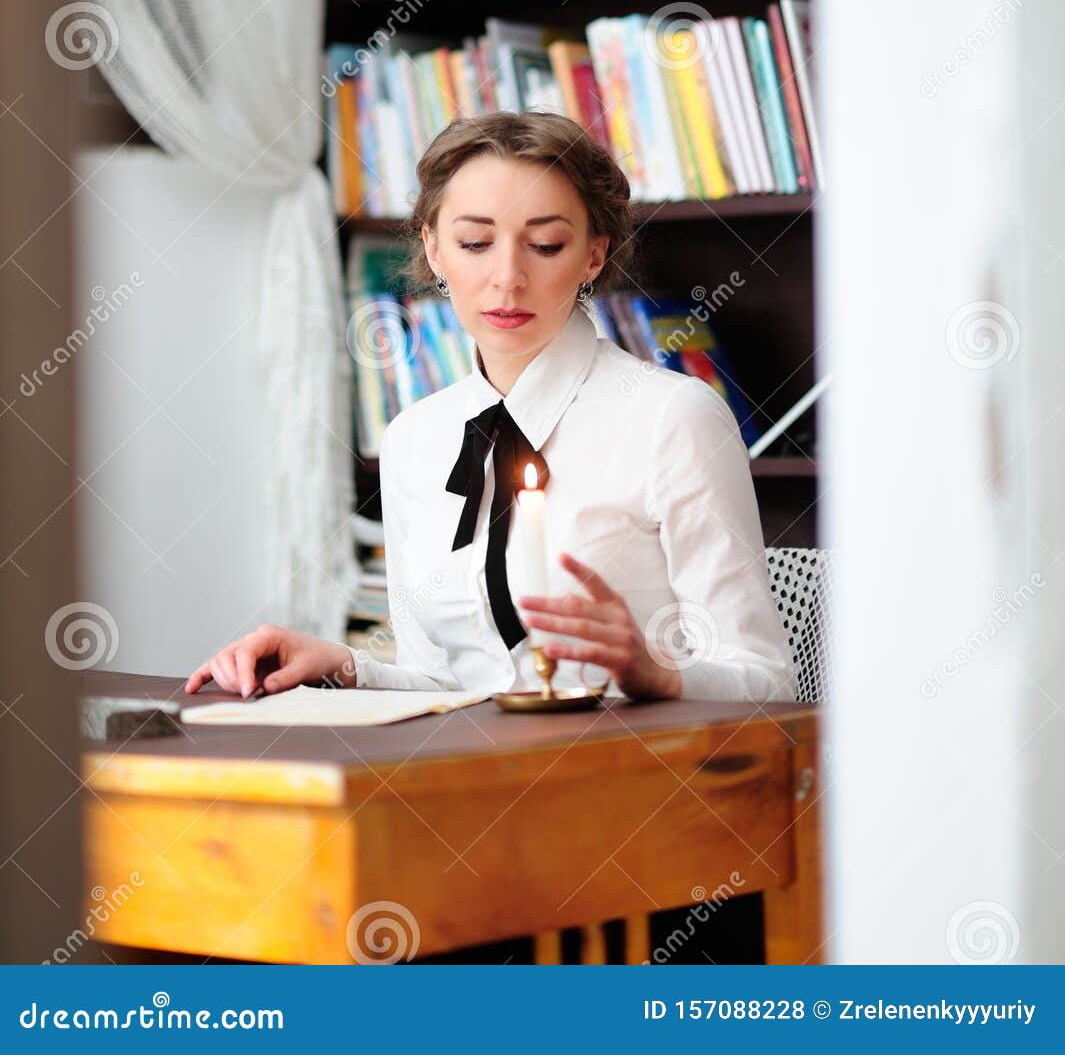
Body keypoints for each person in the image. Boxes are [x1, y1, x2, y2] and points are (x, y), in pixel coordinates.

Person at [186, 111, 794, 704]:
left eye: (546, 244)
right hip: (473, 782)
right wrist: (344, 668)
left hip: (638, 781)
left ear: (593, 255)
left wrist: (659, 678)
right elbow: (452, 691)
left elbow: (767, 683)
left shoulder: (674, 418)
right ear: (434, 250)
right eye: (475, 242)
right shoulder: (413, 439)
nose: (508, 277)